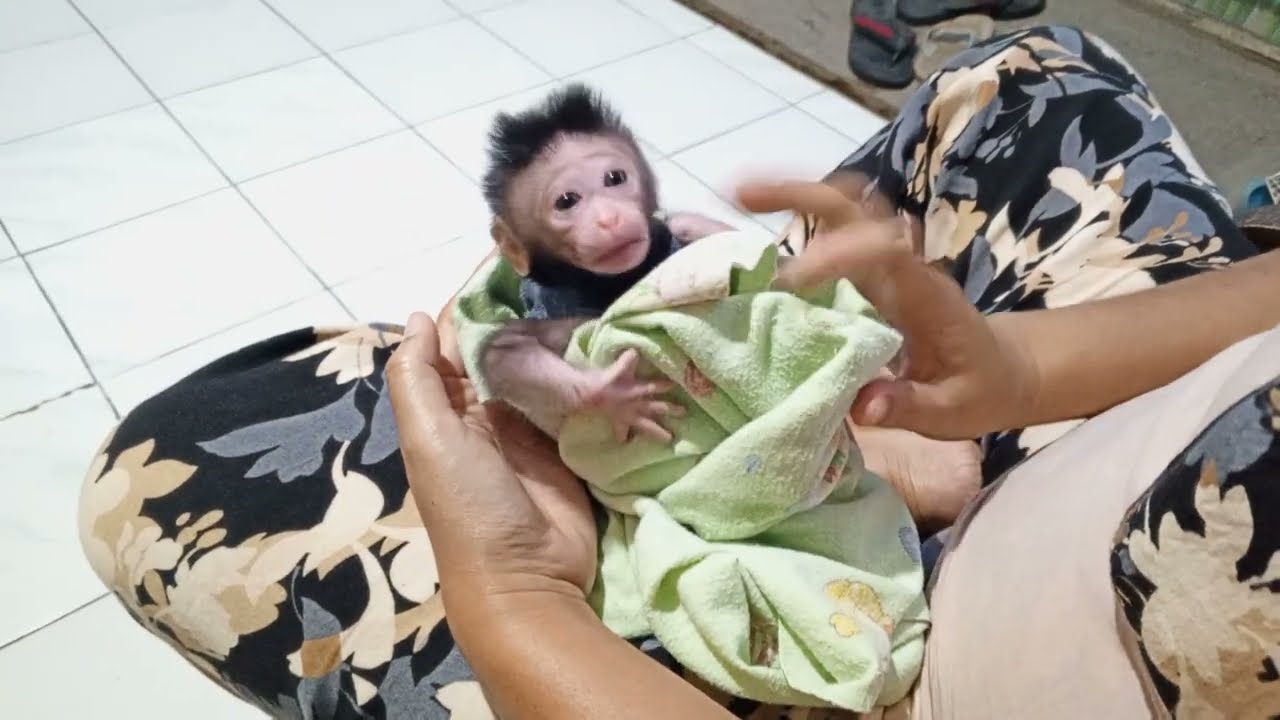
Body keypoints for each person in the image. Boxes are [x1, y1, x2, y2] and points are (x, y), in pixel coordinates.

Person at [78, 26, 1280, 718]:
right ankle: (866, 432)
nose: (607, 220)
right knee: (1025, 70)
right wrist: (1012, 370)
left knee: (167, 463)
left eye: (615, 190)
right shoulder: (557, 283)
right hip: (1093, 425)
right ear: (518, 238)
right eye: (570, 203)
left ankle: (823, 461)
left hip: (951, 652)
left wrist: (514, 592)